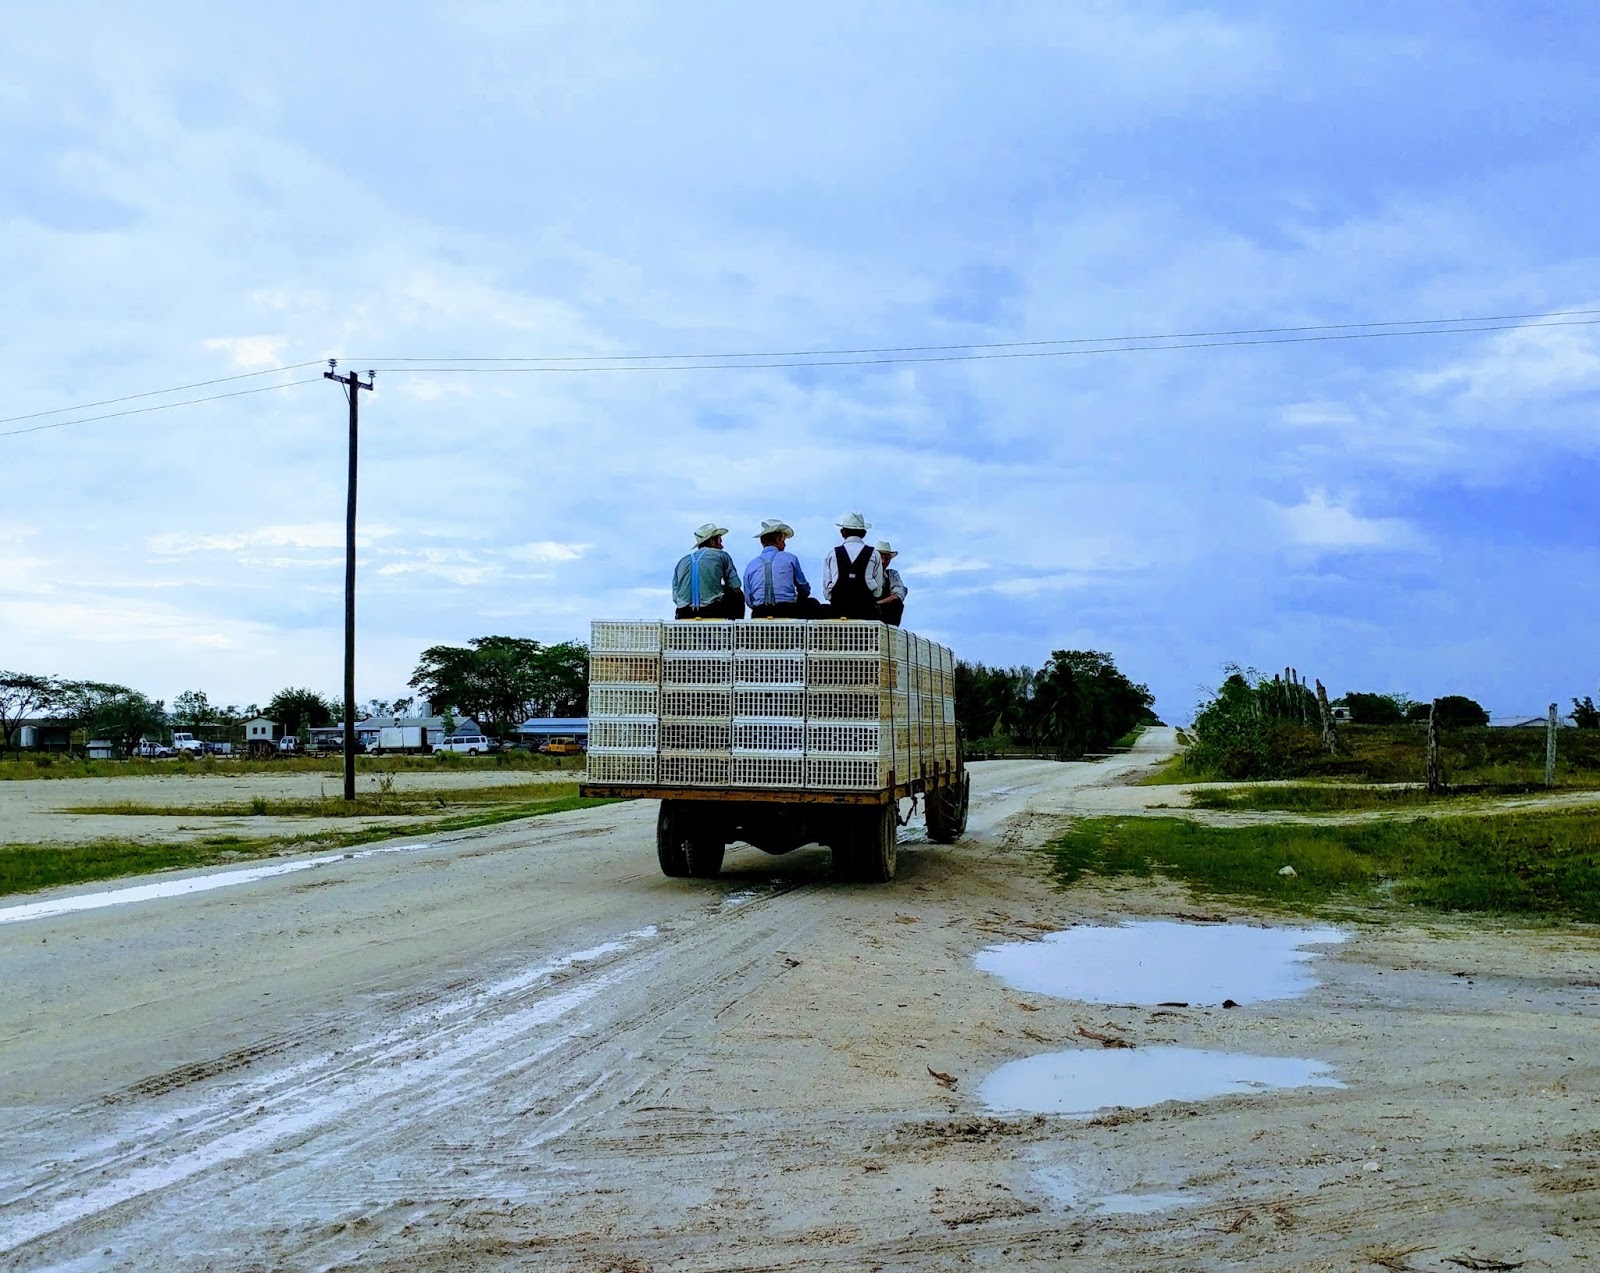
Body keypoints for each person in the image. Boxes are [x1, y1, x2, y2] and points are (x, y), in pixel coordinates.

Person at [744, 519, 827, 617]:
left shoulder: (751, 566)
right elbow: (804, 590)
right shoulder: (790, 559)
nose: (785, 544)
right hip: (787, 611)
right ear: (779, 538)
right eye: (784, 540)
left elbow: (749, 600)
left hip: (759, 613)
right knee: (812, 603)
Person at [673, 522, 745, 619]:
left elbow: (675, 595)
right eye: (720, 541)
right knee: (738, 596)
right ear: (712, 541)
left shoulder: (682, 561)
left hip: (684, 613)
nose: (722, 546)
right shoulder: (721, 555)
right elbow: (735, 587)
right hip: (712, 611)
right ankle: (736, 631)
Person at [822, 511, 885, 620]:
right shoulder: (874, 554)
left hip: (838, 612)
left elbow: (827, 593)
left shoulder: (832, 554)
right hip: (866, 613)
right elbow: (878, 591)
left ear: (842, 532)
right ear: (864, 533)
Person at [874, 540, 908, 627]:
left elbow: (898, 595)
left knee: (896, 603)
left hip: (885, 614)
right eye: (881, 558)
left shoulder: (892, 575)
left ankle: (891, 630)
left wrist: (877, 603)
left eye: (887, 559)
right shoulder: (866, 573)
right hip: (868, 612)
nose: (884, 561)